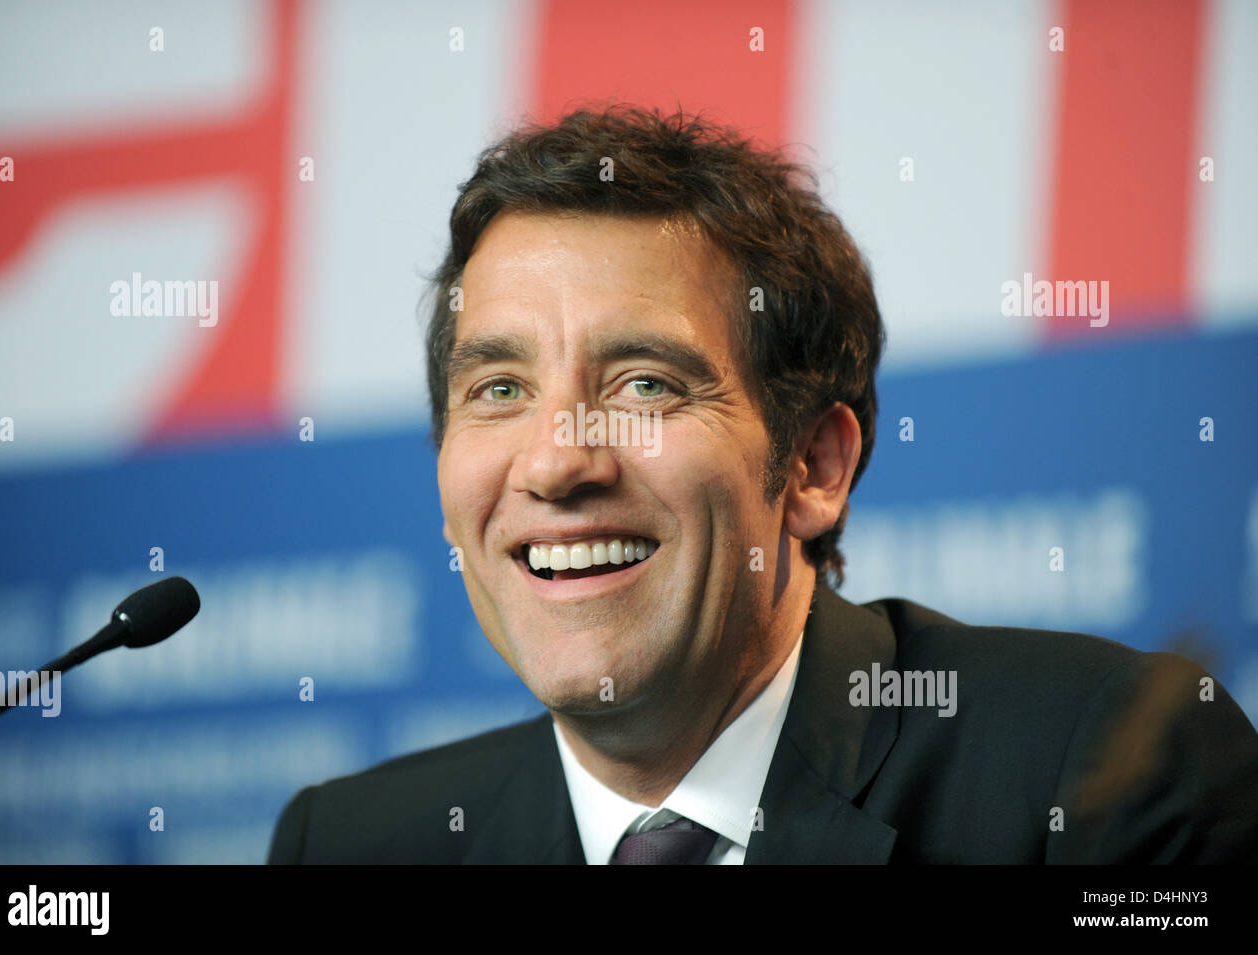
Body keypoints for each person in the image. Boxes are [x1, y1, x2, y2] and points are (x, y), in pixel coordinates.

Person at [268, 107, 1258, 864]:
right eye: (498, 389)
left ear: (813, 467)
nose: (555, 460)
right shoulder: (352, 842)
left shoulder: (1104, 771)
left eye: (645, 383)